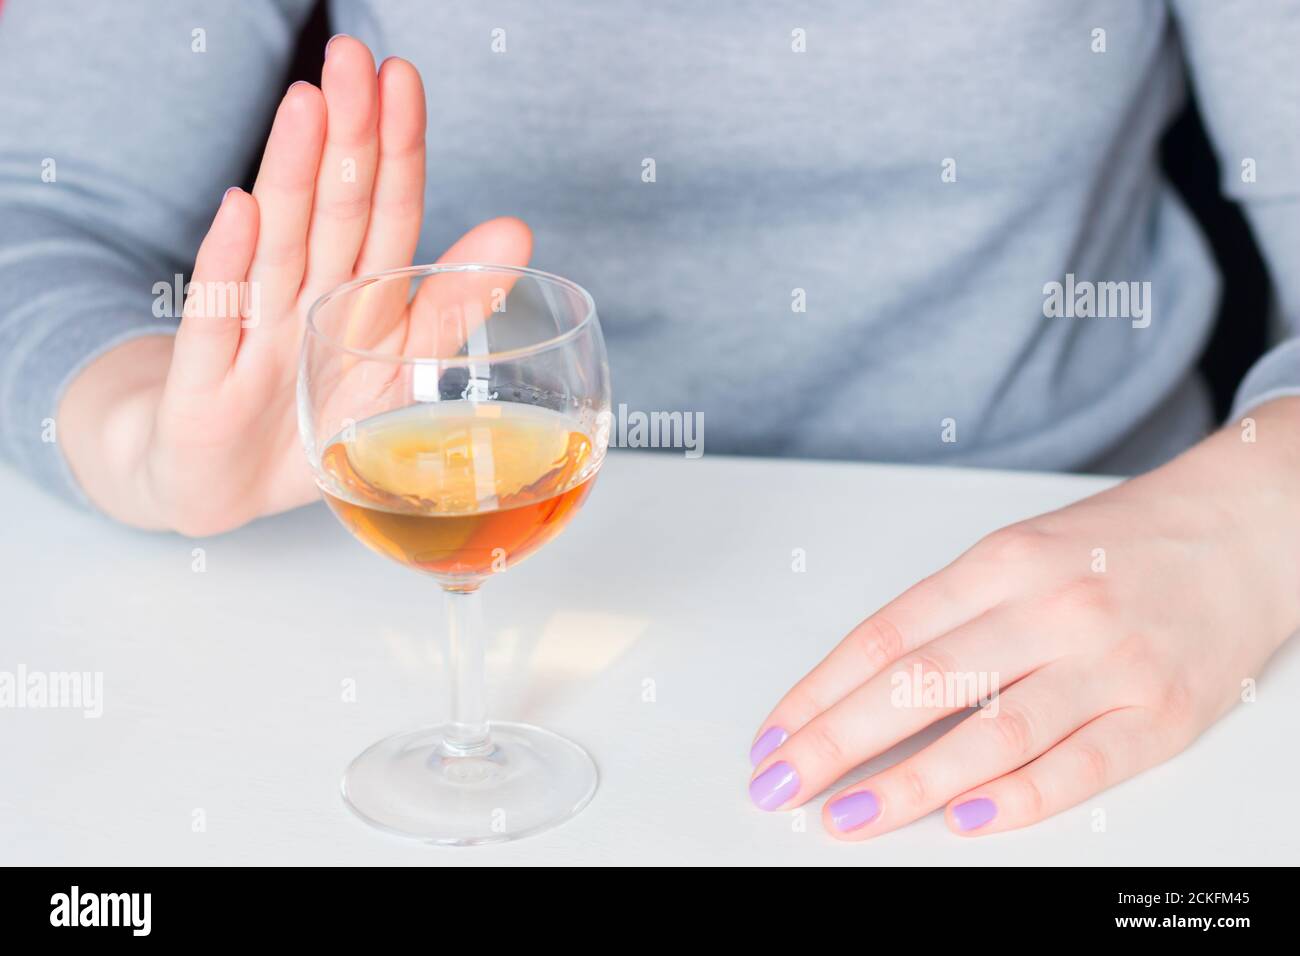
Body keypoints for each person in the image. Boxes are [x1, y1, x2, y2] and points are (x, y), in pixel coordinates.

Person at [1, 1, 1297, 841]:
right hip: (429, 595)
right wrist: (145, 441)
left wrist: (1261, 514)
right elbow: (37, 204)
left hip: (1076, 633)